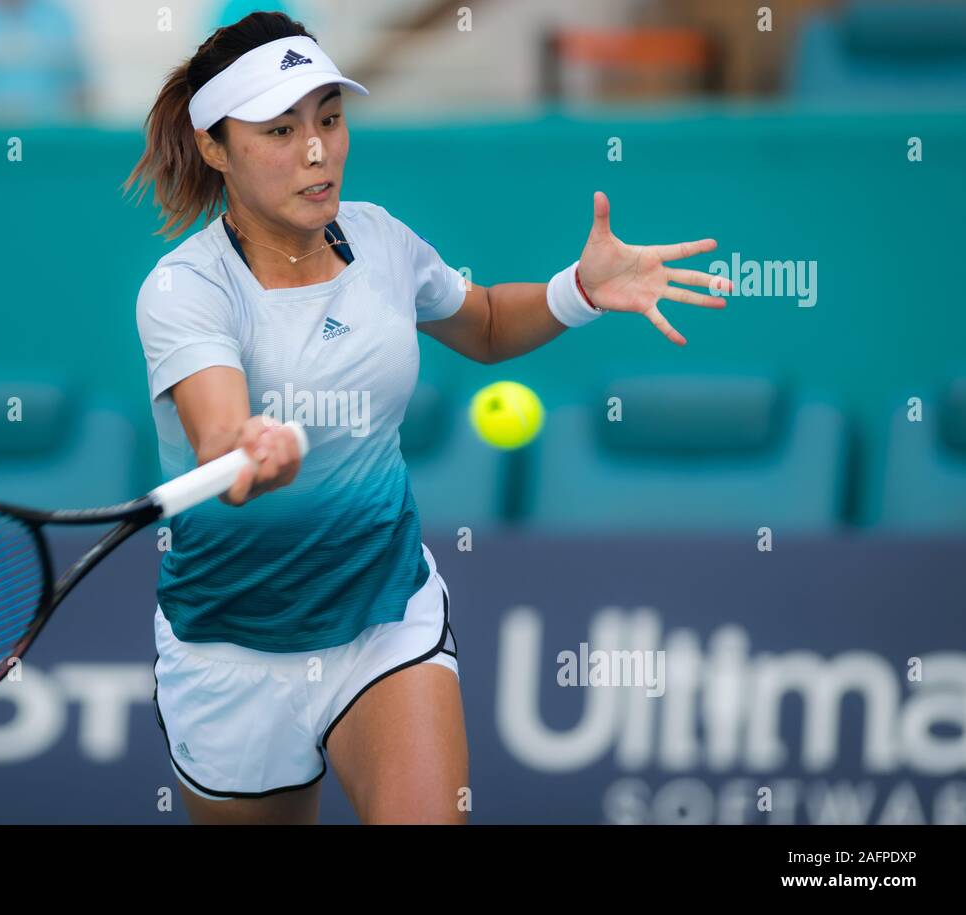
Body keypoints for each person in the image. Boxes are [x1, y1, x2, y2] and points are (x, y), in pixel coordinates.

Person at [124, 11, 729, 825]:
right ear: (213, 146)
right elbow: (217, 424)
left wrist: (578, 292)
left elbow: (478, 321)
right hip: (228, 650)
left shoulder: (378, 237)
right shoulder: (184, 288)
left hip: (384, 613)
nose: (317, 151)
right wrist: (245, 446)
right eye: (279, 130)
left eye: (330, 120)